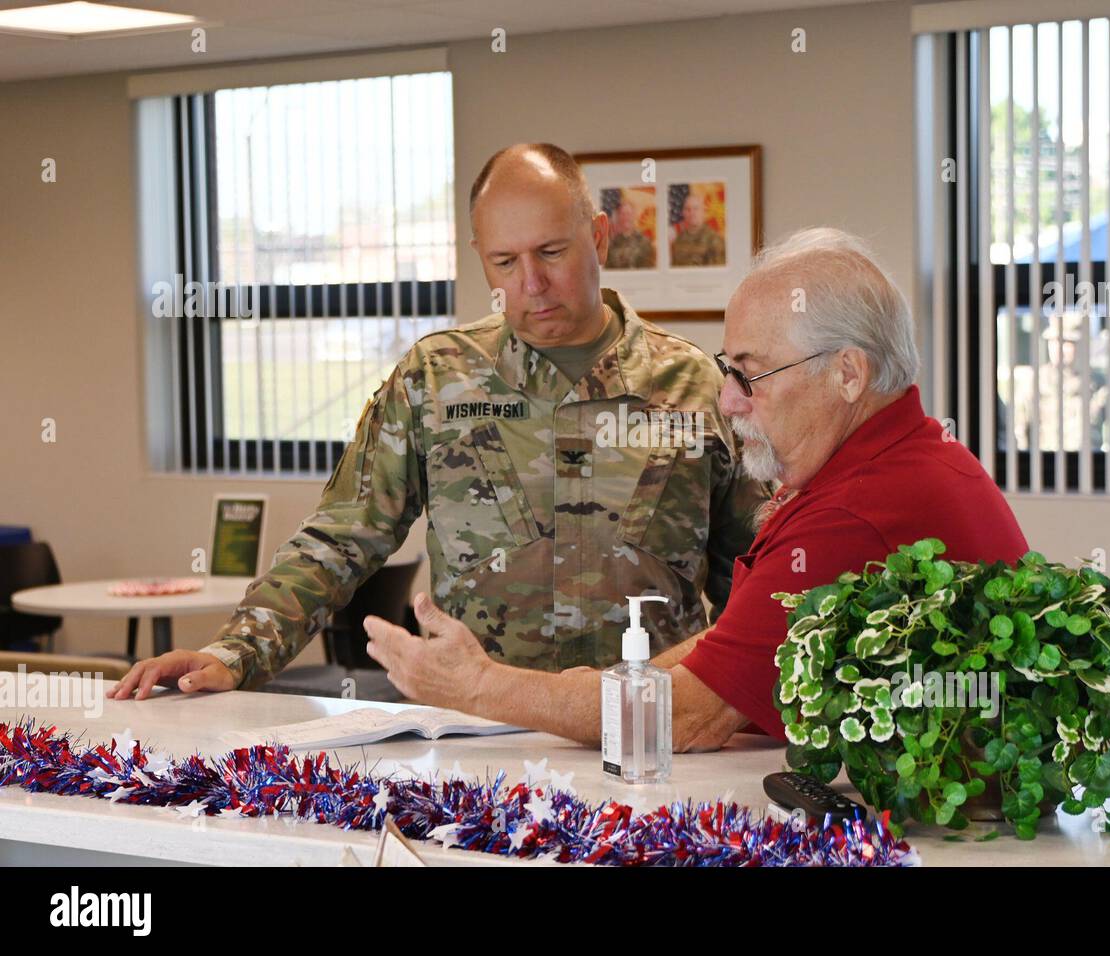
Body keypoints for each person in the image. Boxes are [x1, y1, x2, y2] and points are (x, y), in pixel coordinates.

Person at [109, 143, 769, 701]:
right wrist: (237, 652)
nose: (531, 284)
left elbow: (755, 576)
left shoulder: (697, 388)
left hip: (651, 728)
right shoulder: (437, 380)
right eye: (504, 263)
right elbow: (340, 536)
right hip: (474, 730)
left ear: (599, 237)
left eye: (551, 252)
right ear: (480, 255)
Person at [356, 227, 1029, 750]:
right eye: (725, 371)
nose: (729, 403)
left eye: (751, 374)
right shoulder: (896, 463)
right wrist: (577, 690)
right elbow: (724, 652)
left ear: (847, 374)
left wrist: (480, 687)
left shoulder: (856, 513)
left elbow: (689, 715)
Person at [1011, 312, 1110, 452]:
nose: (1058, 348)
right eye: (1053, 341)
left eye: (1066, 343)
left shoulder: (1101, 385)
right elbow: (1018, 436)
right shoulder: (1034, 383)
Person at [670, 192, 725, 266]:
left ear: (704, 211)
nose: (692, 213)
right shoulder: (678, 240)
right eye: (688, 209)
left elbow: (718, 274)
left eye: (696, 208)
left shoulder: (715, 240)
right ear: (683, 213)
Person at [605, 198, 655, 269]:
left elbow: (650, 270)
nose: (626, 217)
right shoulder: (612, 244)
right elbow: (608, 269)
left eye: (628, 214)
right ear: (618, 217)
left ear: (634, 216)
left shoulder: (645, 242)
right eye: (623, 214)